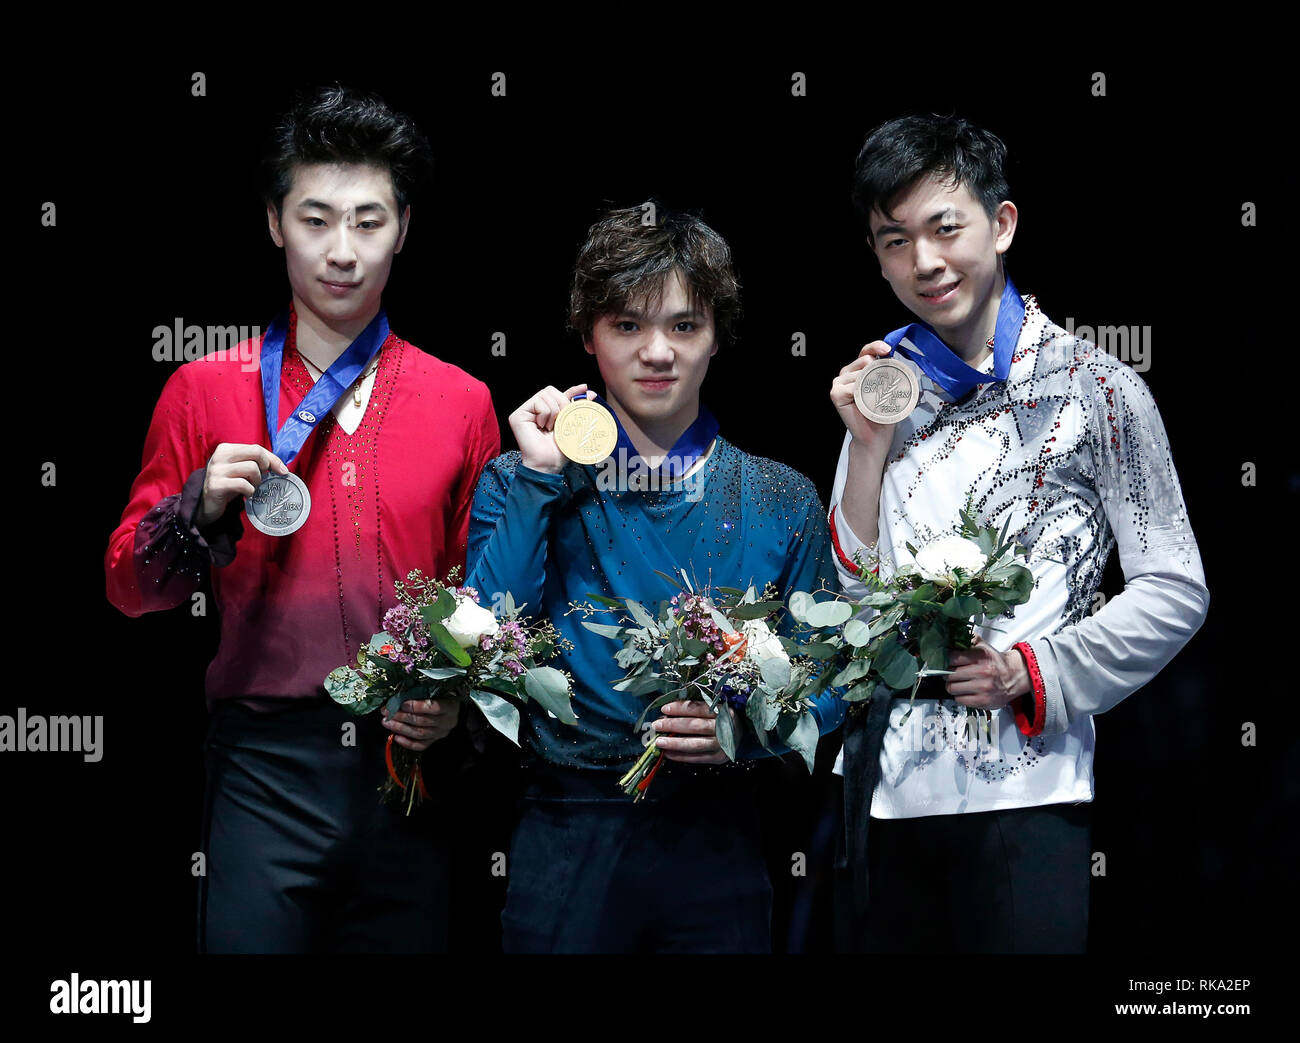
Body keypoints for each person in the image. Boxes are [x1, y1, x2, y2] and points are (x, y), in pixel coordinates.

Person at [103, 85, 499, 953]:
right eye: (316, 220)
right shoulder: (203, 389)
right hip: (263, 770)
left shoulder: (464, 400)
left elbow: (487, 599)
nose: (343, 252)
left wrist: (455, 701)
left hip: (410, 769)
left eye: (368, 221)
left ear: (405, 228)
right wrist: (194, 509)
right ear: (275, 223)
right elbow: (129, 589)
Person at [826, 114, 1210, 953]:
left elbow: (1176, 584)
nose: (923, 261)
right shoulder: (888, 391)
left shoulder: (1096, 387)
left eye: (945, 228)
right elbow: (853, 593)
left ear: (1001, 225)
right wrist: (863, 446)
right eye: (895, 240)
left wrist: (1032, 670)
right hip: (885, 793)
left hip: (1026, 794)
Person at [466, 204, 846, 953]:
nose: (657, 352)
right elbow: (483, 647)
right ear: (588, 337)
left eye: (683, 325)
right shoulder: (519, 480)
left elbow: (831, 677)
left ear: (716, 338)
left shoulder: (781, 496)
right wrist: (543, 480)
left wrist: (748, 731)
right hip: (562, 833)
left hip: (719, 842)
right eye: (627, 325)